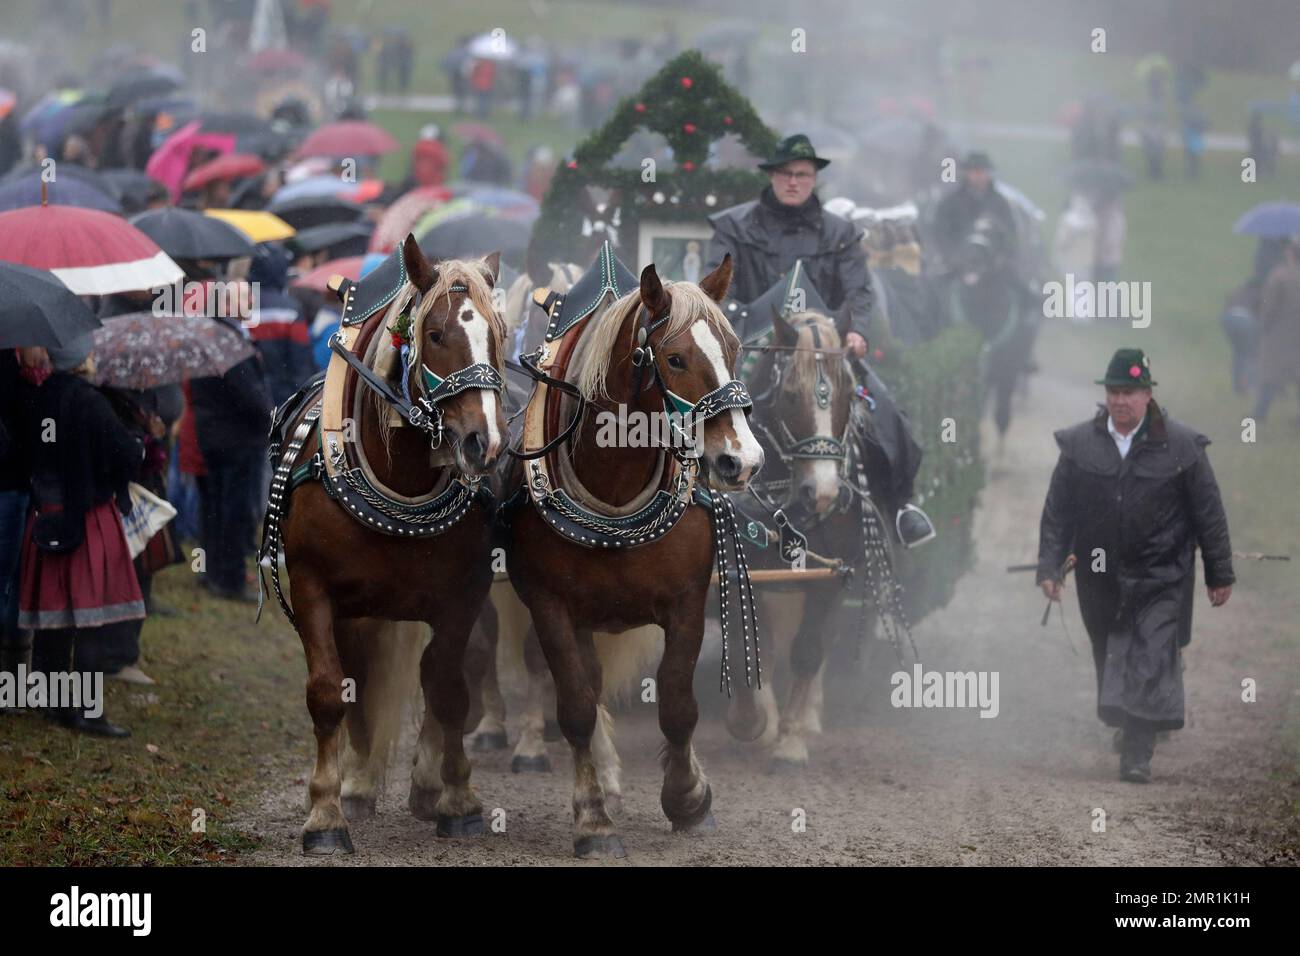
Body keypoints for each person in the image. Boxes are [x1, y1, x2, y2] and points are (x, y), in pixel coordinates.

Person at [705, 133, 935, 547]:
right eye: (786, 174)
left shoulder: (842, 233)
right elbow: (716, 290)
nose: (794, 181)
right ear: (772, 177)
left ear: (814, 180)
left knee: (888, 417)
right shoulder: (732, 227)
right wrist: (738, 327)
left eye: (803, 174)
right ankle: (679, 501)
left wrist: (857, 331)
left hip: (826, 352)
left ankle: (901, 507)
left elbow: (859, 292)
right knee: (691, 413)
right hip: (751, 350)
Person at [1037, 348, 1234, 783]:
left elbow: (1208, 513)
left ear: (1148, 395)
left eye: (1129, 392)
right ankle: (1129, 726)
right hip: (1100, 573)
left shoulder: (1183, 447)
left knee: (1148, 655)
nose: (1120, 401)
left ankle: (1137, 753)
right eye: (1113, 392)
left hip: (1161, 575)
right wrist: (1050, 567)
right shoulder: (1079, 445)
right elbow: (1059, 511)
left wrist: (1219, 573)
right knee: (1109, 652)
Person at [17, 335, 144, 737]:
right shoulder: (88, 400)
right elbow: (123, 454)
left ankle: (52, 704)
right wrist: (137, 446)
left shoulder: (37, 396)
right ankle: (88, 713)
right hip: (87, 520)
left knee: (54, 620)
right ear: (81, 358)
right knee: (90, 619)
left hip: (45, 519)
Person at [1252, 233, 1300, 423]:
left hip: (1279, 334)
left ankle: (1260, 413)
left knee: (1270, 375)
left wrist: (1262, 327)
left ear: (1290, 254)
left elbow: (1268, 307)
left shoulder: (1280, 276)